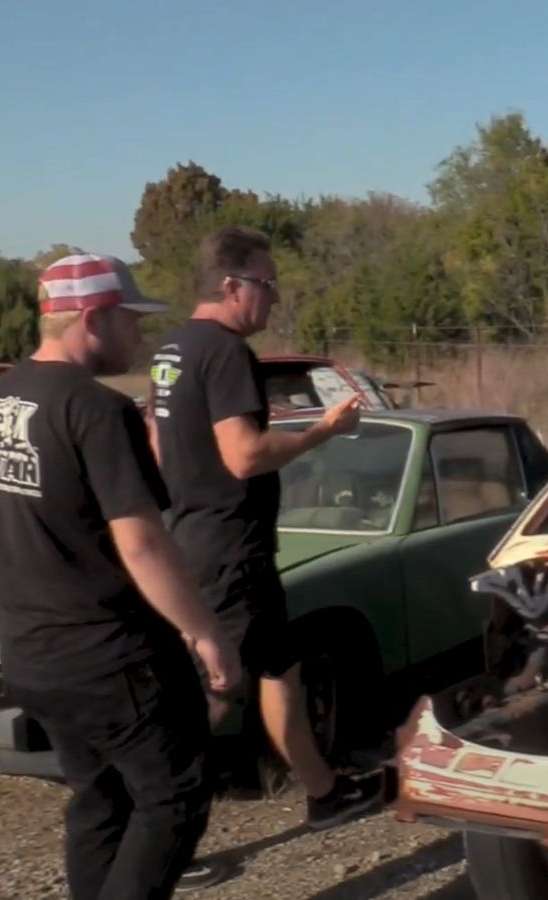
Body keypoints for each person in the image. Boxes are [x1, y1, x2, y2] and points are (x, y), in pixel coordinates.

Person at [0, 252, 241, 899]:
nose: (139, 336)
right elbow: (142, 543)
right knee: (175, 795)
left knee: (102, 799)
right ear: (93, 318)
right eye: (131, 321)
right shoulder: (96, 410)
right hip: (109, 658)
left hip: (31, 652)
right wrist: (205, 632)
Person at [147, 224, 382, 831]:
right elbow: (245, 455)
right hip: (228, 550)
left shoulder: (172, 350)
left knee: (282, 668)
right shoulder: (227, 354)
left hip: (198, 534)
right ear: (231, 286)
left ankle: (324, 791)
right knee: (216, 690)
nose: (273, 298)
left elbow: (155, 439)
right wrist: (322, 433)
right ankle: (156, 826)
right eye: (267, 285)